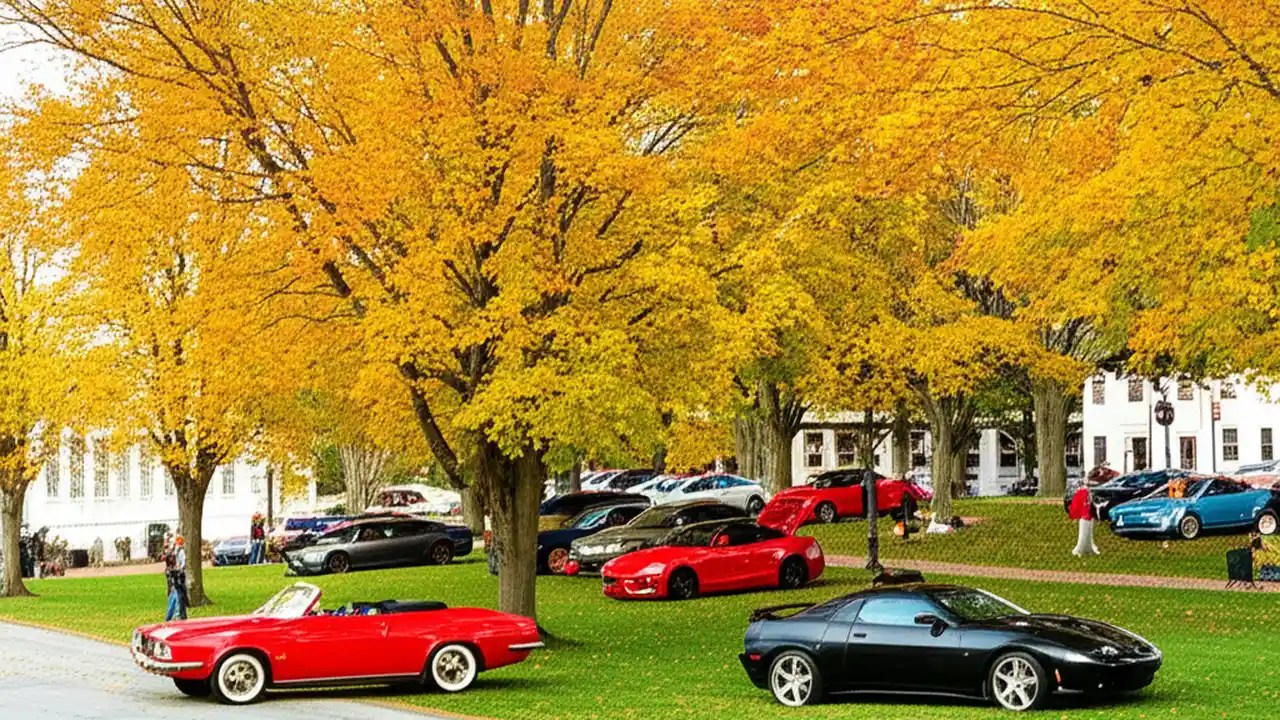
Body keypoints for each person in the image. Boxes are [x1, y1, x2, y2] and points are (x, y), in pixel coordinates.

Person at [1069, 478, 1100, 556]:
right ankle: (1082, 549)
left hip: (1087, 515)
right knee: (1085, 534)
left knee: (1087, 534)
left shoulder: (1084, 492)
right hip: (1086, 516)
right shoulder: (1083, 492)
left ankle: (1086, 548)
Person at [164, 535, 189, 621]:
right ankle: (177, 615)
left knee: (176, 595)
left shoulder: (178, 552)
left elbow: (182, 563)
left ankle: (174, 616)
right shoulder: (173, 552)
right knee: (177, 595)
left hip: (177, 576)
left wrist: (179, 568)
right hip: (175, 576)